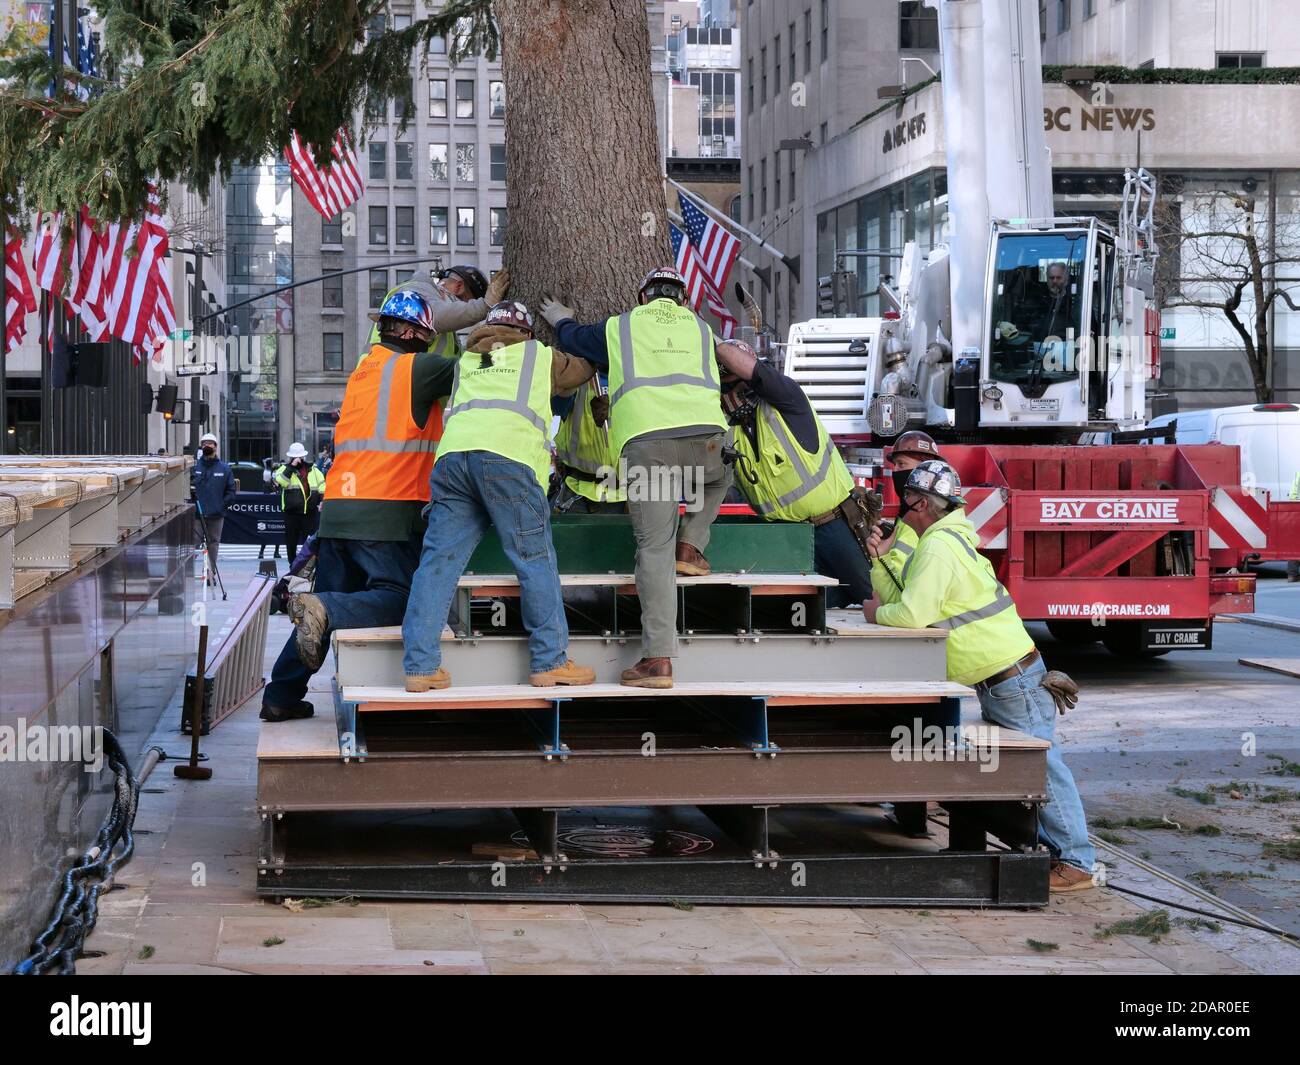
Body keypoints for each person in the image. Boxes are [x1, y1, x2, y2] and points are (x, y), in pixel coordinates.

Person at [863, 460, 1095, 892]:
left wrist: (876, 614)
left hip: (1012, 680)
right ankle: (1056, 851)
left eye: (907, 506)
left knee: (1042, 769)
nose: (903, 514)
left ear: (922, 506)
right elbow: (911, 597)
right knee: (1029, 769)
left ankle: (1077, 861)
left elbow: (910, 614)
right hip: (1006, 680)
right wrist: (879, 561)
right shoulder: (944, 538)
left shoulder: (937, 547)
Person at [260, 286, 461, 722]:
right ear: (412, 333)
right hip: (388, 510)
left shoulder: (364, 370)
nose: (431, 339)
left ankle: (281, 695)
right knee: (403, 599)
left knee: (323, 606)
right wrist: (481, 317)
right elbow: (477, 372)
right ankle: (326, 612)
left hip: (338, 511)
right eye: (427, 332)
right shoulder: (418, 369)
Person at [542, 267, 732, 689]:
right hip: (708, 442)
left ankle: (658, 660)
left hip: (648, 448)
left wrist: (559, 318)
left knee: (654, 550)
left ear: (643, 296)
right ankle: (693, 542)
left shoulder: (622, 327)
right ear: (683, 299)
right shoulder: (703, 330)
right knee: (721, 476)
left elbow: (574, 340)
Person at [402, 301, 597, 692]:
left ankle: (420, 668)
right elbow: (586, 365)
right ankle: (550, 661)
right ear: (526, 333)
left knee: (438, 562)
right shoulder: (539, 356)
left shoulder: (465, 362)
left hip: (453, 461)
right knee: (534, 560)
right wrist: (567, 324)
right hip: (509, 460)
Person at [713, 338, 873, 607]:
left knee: (870, 600)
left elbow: (758, 375)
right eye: (723, 385)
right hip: (786, 540)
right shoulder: (727, 431)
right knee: (803, 612)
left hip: (834, 526)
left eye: (733, 380)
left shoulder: (787, 400)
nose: (729, 392)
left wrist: (706, 337)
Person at [367, 264, 510, 361]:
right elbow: (433, 314)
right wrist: (485, 305)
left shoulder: (448, 333)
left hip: (405, 391)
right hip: (387, 382)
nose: (464, 308)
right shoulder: (415, 290)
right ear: (458, 287)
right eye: (468, 302)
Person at [869, 429, 943, 601]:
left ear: (924, 470)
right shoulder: (908, 515)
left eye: (901, 465)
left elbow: (900, 589)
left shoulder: (920, 520)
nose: (895, 471)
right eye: (895, 465)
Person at [551, 372, 626, 513]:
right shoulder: (577, 373)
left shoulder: (631, 378)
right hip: (575, 488)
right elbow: (557, 406)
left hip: (620, 496)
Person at [190, 432, 236, 579]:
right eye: (204, 443)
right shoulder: (194, 467)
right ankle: (187, 573)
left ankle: (211, 573)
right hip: (197, 514)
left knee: (213, 544)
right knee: (193, 544)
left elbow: (231, 491)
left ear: (215, 447)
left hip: (216, 515)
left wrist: (222, 506)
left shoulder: (224, 468)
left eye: (210, 443)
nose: (207, 446)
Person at [273, 442, 326, 561]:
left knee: (311, 543)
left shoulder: (314, 470)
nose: (299, 459)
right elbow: (282, 481)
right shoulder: (283, 469)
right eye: (296, 457)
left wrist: (322, 501)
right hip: (291, 514)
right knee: (291, 543)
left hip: (310, 513)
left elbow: (323, 486)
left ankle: (310, 567)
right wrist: (291, 467)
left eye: (300, 457)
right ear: (291, 458)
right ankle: (292, 566)